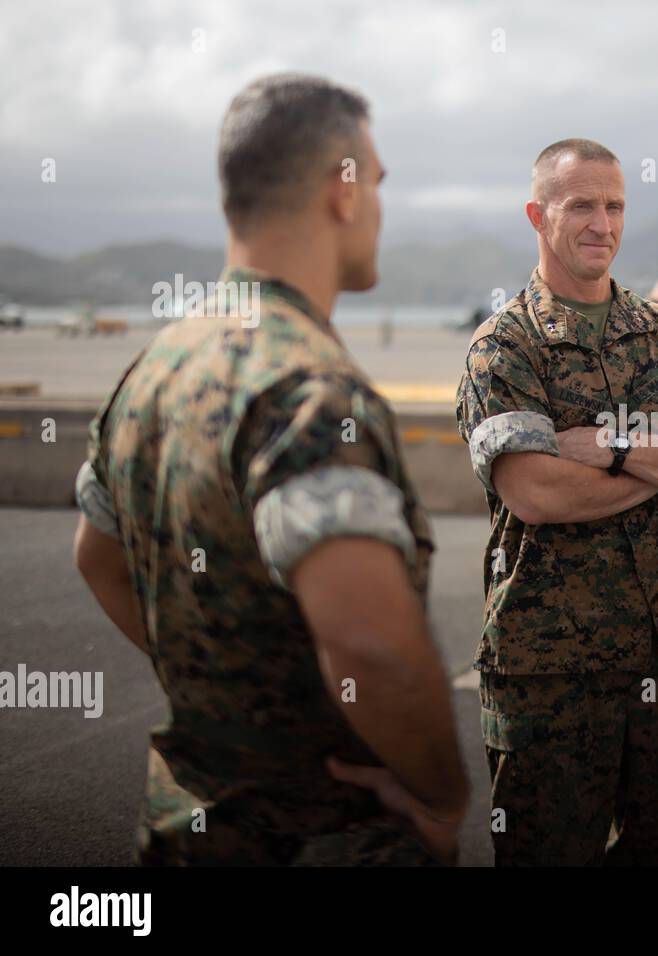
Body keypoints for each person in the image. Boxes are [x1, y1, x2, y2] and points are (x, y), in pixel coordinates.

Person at [71, 74, 468, 865]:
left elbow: (96, 557)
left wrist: (224, 690)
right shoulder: (310, 390)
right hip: (317, 836)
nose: (382, 207)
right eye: (378, 182)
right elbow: (371, 648)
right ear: (343, 193)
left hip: (181, 822)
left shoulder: (155, 367)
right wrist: (443, 796)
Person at [455, 138, 658, 866]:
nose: (602, 223)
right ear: (538, 214)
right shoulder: (506, 348)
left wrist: (614, 447)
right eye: (582, 205)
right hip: (550, 671)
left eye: (615, 205)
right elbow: (536, 491)